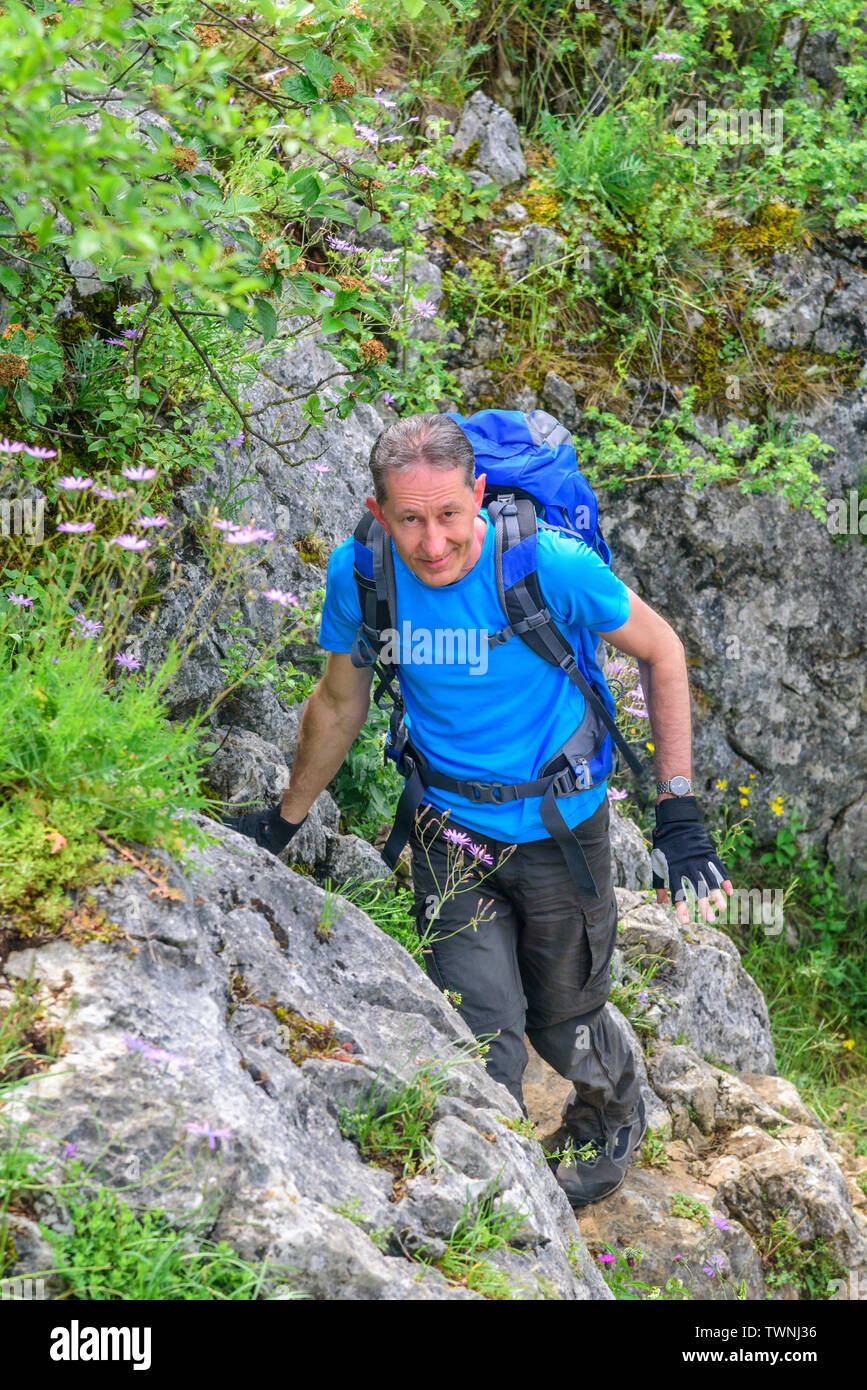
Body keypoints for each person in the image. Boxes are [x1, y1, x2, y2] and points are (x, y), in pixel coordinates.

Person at [223, 413, 733, 1207]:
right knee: (481, 1034)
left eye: (449, 516)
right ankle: (498, 1200)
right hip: (448, 834)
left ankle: (611, 1114)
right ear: (378, 508)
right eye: (410, 520)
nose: (431, 545)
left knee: (565, 1023)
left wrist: (678, 810)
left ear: (480, 495)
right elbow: (337, 702)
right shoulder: (362, 572)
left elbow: (661, 649)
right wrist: (284, 821)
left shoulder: (545, 564)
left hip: (561, 832)